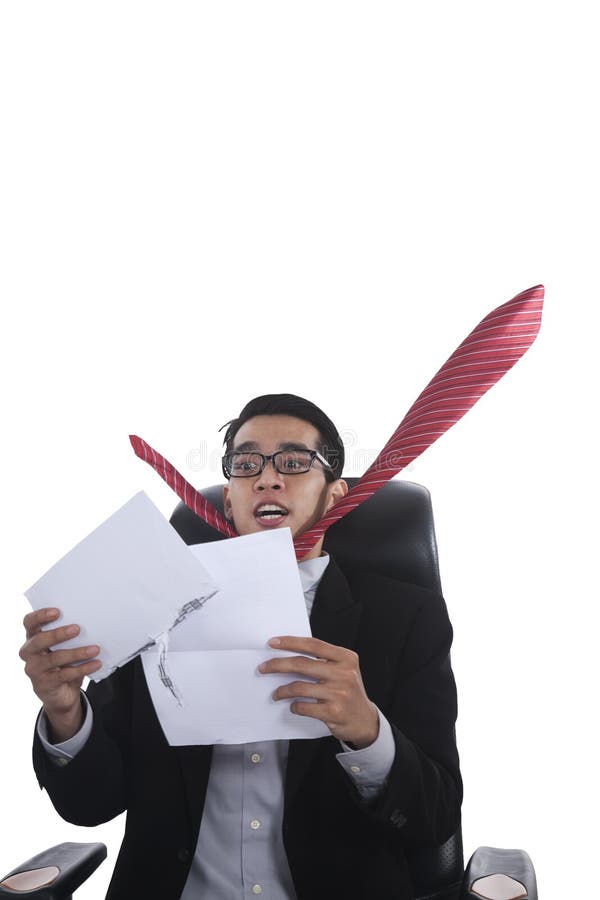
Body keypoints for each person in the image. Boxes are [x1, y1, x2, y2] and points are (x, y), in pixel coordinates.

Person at [21, 394, 462, 899]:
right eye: (246, 464)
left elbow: (435, 817)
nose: (267, 478)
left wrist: (367, 730)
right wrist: (65, 713)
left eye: (294, 463)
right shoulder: (156, 607)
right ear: (228, 500)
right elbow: (89, 806)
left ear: (335, 495)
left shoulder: (405, 617)